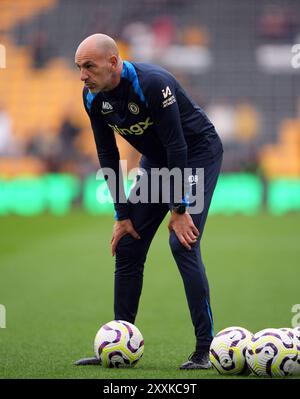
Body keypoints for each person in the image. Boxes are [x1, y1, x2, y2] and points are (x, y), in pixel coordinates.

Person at [74, 34, 223, 369]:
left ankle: (205, 349)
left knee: (181, 243)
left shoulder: (153, 83)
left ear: (113, 62)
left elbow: (177, 146)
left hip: (196, 154)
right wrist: (121, 214)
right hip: (158, 161)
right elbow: (107, 154)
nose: (82, 75)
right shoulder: (92, 97)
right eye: (78, 68)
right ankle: (118, 343)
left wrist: (179, 208)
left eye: (88, 67)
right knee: (128, 244)